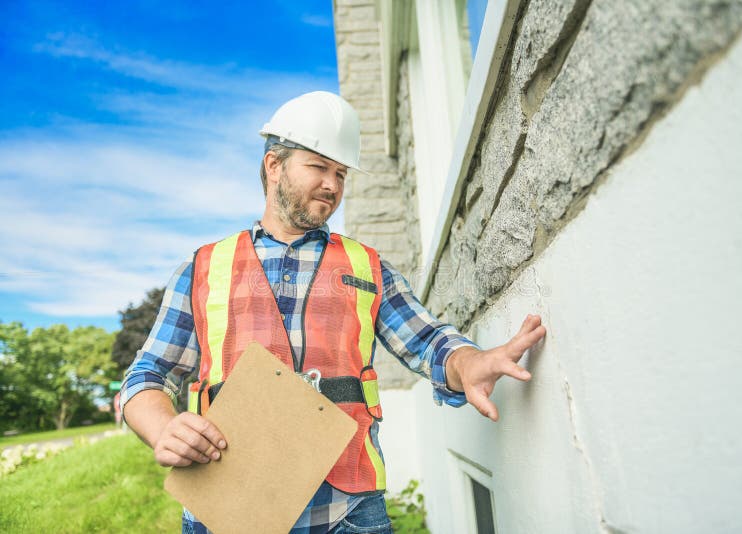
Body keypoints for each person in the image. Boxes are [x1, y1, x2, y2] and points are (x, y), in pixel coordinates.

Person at [121, 91, 546, 534]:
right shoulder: (205, 267)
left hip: (347, 513)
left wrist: (470, 361)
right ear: (273, 166)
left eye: (341, 173)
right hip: (228, 506)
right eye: (319, 167)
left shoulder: (366, 265)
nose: (333, 184)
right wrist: (162, 428)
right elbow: (148, 374)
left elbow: (429, 342)